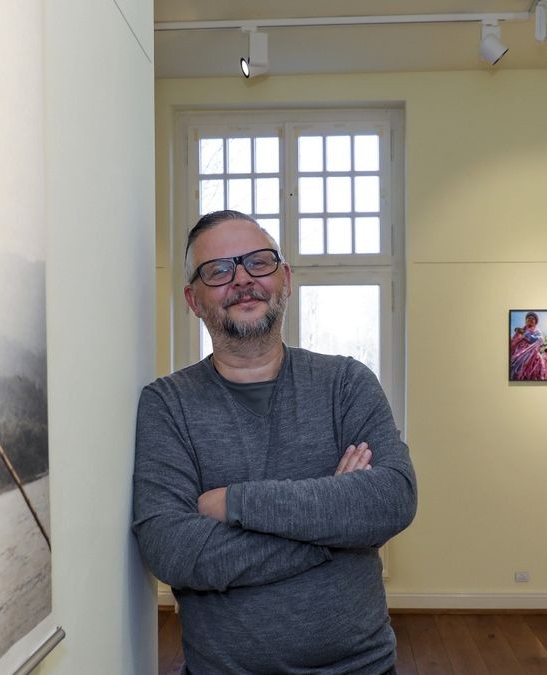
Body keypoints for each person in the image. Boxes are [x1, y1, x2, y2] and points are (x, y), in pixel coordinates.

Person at [133, 210, 417, 674]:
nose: (242, 279)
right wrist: (334, 531)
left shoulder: (345, 383)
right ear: (193, 298)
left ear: (284, 278)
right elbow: (175, 551)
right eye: (218, 270)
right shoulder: (167, 405)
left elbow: (393, 499)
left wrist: (236, 502)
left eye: (258, 263)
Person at [509, 311, 546, 380]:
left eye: (533, 319)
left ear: (535, 322)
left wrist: (526, 334)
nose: (530, 319)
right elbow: (512, 343)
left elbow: (539, 340)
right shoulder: (520, 330)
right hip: (517, 354)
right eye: (528, 318)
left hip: (531, 356)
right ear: (526, 320)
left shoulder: (537, 332)